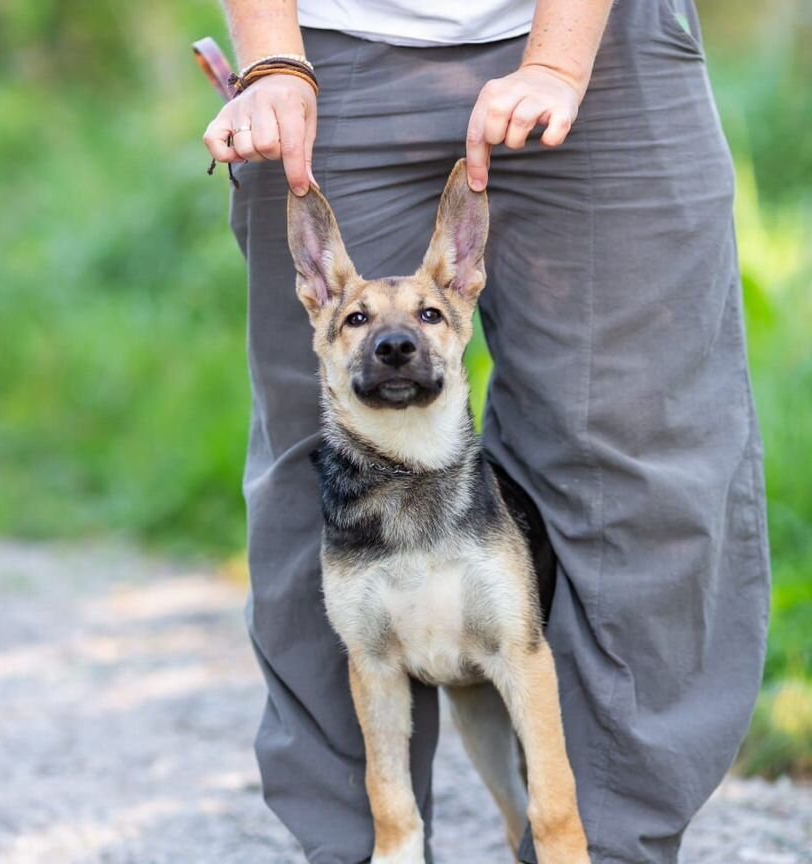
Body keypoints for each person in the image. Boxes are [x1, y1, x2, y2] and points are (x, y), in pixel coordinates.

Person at [202, 1, 771, 862]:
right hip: (326, 47)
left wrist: (557, 61)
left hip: (601, 37)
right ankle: (367, 848)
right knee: (316, 472)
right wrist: (274, 60)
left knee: (643, 461)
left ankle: (599, 848)